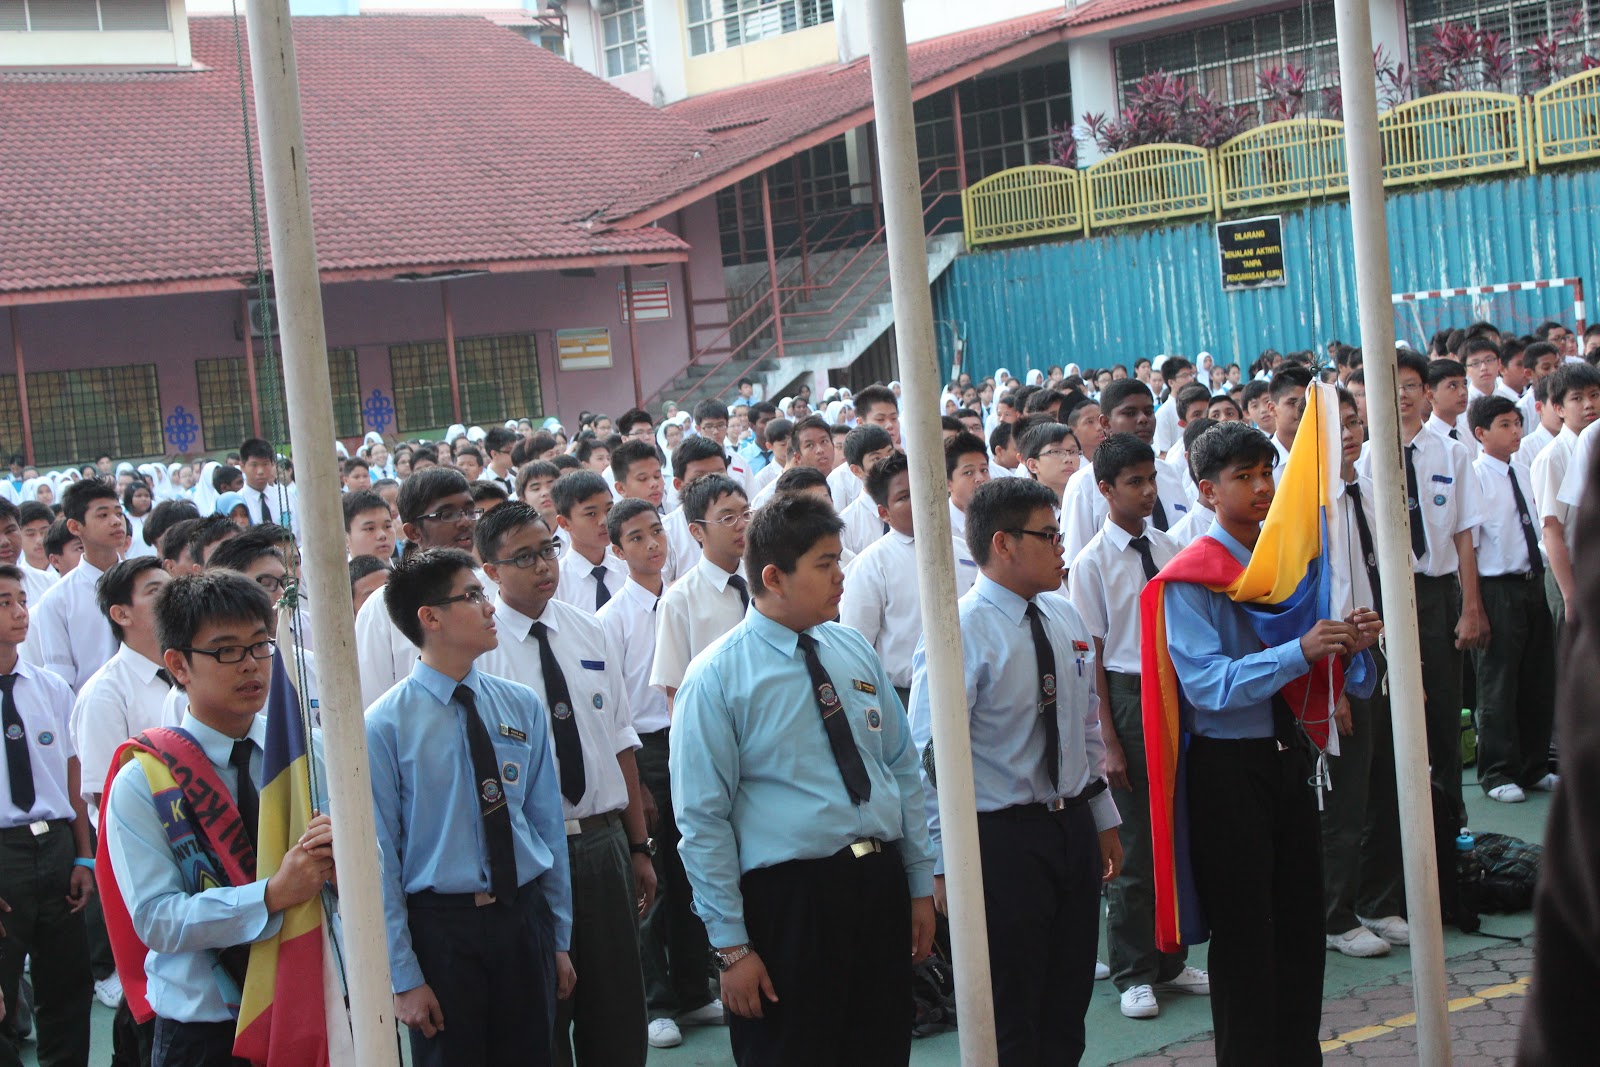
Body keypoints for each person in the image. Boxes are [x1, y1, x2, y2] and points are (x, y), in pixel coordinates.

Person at [672, 495, 936, 1065]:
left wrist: (918, 883)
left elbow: (900, 768)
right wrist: (731, 946)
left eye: (839, 559)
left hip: (877, 883)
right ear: (773, 576)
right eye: (824, 564)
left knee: (881, 1047)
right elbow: (702, 820)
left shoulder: (850, 648)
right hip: (790, 902)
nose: (842, 576)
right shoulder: (717, 676)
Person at [1153, 421, 1380, 1066]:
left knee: (1302, 922)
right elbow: (1207, 686)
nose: (1261, 488)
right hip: (1229, 768)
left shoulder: (1290, 561)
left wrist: (1349, 644)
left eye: (1266, 473)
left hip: (1292, 759)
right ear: (1205, 490)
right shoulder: (1192, 574)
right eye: (1243, 477)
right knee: (1245, 931)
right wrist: (1298, 649)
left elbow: (1328, 677)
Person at [909, 477, 1120, 1064]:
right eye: (1048, 535)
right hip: (1000, 839)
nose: (1061, 547)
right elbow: (931, 757)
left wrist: (1100, 817)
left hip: (1069, 826)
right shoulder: (961, 629)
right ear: (1002, 543)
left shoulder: (1063, 615)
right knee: (1010, 1004)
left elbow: (1084, 727)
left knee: (1067, 995)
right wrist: (944, 863)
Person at [100, 572, 333, 1067]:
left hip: (310, 1004)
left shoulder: (307, 754)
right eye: (227, 650)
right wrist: (271, 894)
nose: (251, 665)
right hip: (205, 1029)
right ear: (178, 665)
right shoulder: (144, 780)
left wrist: (345, 858)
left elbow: (369, 867)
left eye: (259, 645)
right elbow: (157, 920)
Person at [366, 549, 571, 1067]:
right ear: (429, 618)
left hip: (521, 916)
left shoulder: (519, 703)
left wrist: (559, 935)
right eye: (473, 595)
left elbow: (546, 825)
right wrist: (404, 975)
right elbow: (380, 860)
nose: (489, 607)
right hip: (442, 930)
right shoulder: (384, 726)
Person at [471, 503, 654, 1066]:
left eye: (546, 550)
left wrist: (639, 846)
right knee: (544, 1010)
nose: (542, 567)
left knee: (618, 1008)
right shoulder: (480, 650)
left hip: (601, 843)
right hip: (529, 853)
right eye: (522, 558)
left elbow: (619, 741)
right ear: (492, 570)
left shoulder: (589, 631)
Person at [1066, 436, 1205, 1019]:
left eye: (1152, 480)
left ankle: (1169, 958)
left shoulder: (1169, 546)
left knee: (1176, 832)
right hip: (1125, 696)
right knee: (1135, 843)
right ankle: (1131, 969)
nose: (1148, 492)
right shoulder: (1093, 561)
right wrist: (1110, 741)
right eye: (1134, 483)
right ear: (1105, 489)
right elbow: (1093, 655)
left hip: (1172, 692)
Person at [593, 501, 718, 1049]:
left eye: (656, 533)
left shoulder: (687, 598)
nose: (652, 545)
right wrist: (634, 780)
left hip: (688, 737)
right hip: (643, 749)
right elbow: (614, 706)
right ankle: (656, 1000)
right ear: (616, 551)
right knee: (654, 875)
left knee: (692, 866)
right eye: (636, 538)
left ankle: (694, 989)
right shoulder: (611, 620)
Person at [1359, 349, 1485, 812]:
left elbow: (1465, 534)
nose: (1402, 395)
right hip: (1387, 598)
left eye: (1410, 384)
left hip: (1436, 594)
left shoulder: (1451, 452)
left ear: (1426, 392)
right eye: (1390, 386)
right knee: (1396, 711)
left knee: (1444, 708)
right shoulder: (1367, 459)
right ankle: (1406, 819)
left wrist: (1471, 607)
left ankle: (1452, 815)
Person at [1321, 389, 1408, 958]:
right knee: (1346, 795)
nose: (1349, 434)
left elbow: (1397, 575)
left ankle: (1380, 901)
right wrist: (1333, 683)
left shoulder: (1374, 490)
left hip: (1385, 652)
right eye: (1338, 426)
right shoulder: (1314, 506)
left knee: (1387, 785)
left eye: (1354, 422)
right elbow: (1315, 600)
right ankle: (1335, 915)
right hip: (1342, 660)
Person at [0, 564, 95, 1067]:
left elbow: (71, 780)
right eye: (3, 602)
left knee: (66, 989)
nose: (19, 611)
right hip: (3, 853)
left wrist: (83, 858)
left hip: (55, 843)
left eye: (20, 599)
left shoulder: (50, 689)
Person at [1468, 396, 1558, 802]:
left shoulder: (1522, 470)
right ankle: (1497, 771)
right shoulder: (1476, 477)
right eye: (1505, 425)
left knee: (1538, 676)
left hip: (1531, 580)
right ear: (1481, 434)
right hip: (1496, 586)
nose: (1516, 431)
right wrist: (1474, 606)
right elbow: (1468, 548)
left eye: (1518, 423)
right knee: (1498, 682)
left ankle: (1534, 764)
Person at [841, 453, 977, 709]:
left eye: (923, 489)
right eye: (904, 497)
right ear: (884, 512)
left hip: (969, 686)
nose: (920, 501)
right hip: (904, 696)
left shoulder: (964, 551)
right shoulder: (871, 565)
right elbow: (856, 648)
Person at [355, 468, 493, 708]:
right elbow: (372, 702)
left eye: (469, 511)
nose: (464, 522)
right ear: (413, 531)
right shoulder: (381, 607)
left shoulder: (494, 587)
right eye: (447, 514)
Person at [1061, 380, 1190, 563]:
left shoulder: (1169, 473)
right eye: (1130, 413)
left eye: (1148, 412)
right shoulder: (1084, 484)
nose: (1143, 419)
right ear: (1105, 423)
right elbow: (1073, 563)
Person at [650, 476, 749, 703]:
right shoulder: (679, 601)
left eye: (745, 513)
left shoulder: (765, 581)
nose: (742, 524)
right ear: (696, 531)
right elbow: (675, 692)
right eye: (727, 518)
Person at [33, 479, 125, 693]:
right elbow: (60, 679)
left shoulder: (146, 583)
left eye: (118, 513)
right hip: (91, 709)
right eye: (103, 515)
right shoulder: (57, 600)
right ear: (75, 526)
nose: (115, 521)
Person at [552, 473, 629, 614]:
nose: (604, 521)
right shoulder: (556, 584)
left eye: (609, 510)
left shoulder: (627, 570)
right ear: (564, 523)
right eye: (591, 514)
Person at [835, 425, 895, 557]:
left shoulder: (914, 507)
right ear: (857, 470)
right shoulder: (846, 525)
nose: (889, 463)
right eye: (876, 459)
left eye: (891, 454)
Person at [238, 439, 284, 526]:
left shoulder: (286, 497)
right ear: (242, 467)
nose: (260, 471)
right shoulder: (238, 502)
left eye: (265, 464)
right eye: (254, 465)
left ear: (272, 464)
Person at [344, 489, 396, 563]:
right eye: (370, 528)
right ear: (345, 538)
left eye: (387, 526)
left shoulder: (408, 572)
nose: (382, 535)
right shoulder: (336, 574)